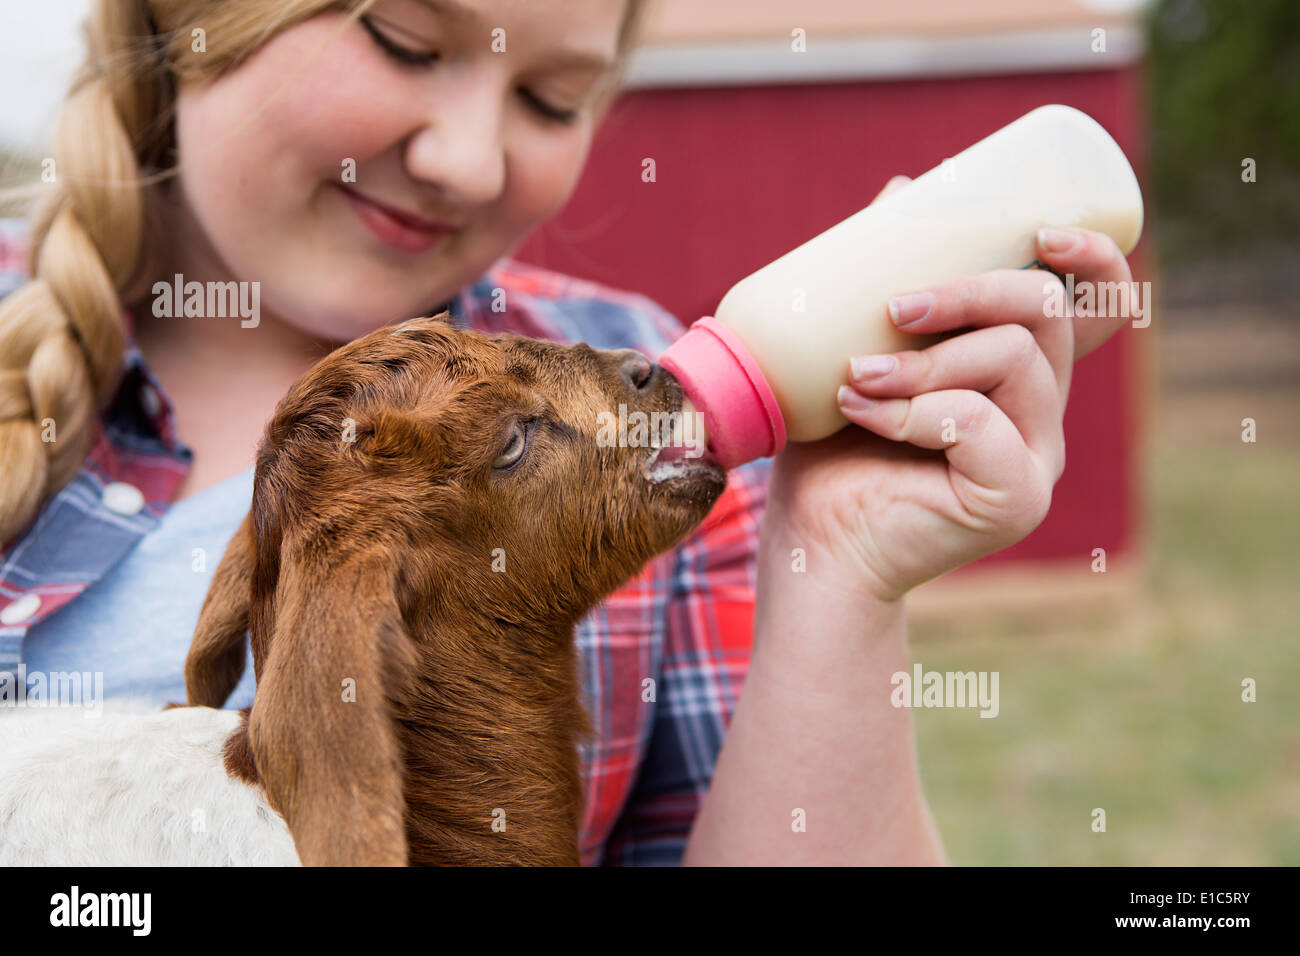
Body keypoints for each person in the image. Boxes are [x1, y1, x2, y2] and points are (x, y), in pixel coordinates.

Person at [0, 0, 1136, 865]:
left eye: (551, 101)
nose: (467, 159)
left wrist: (842, 568)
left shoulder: (652, 422)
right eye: (402, 37)